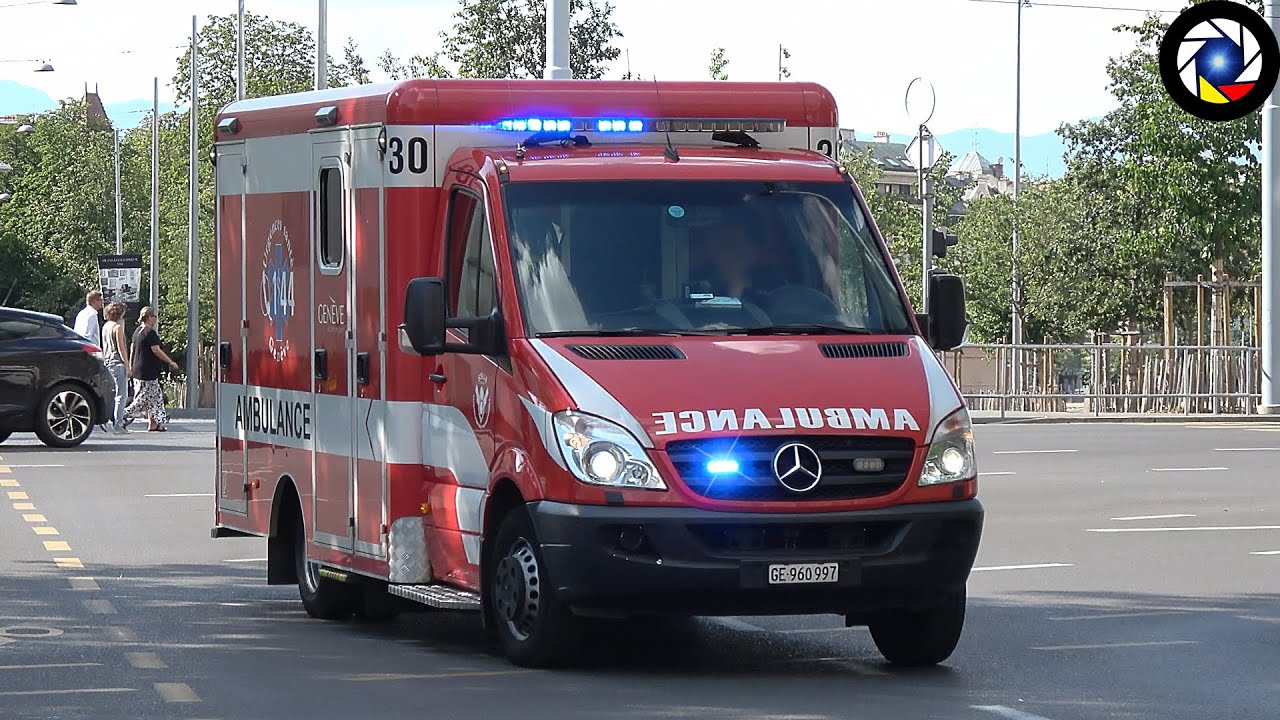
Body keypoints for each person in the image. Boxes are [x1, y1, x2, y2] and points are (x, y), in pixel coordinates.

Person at [124, 306, 179, 432]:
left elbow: (132, 349)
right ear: (149, 317)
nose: (155, 318)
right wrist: (170, 361)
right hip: (147, 371)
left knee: (156, 398)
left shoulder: (137, 331)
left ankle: (155, 424)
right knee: (142, 399)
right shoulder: (150, 333)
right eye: (154, 316)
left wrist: (131, 366)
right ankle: (123, 415)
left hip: (138, 369)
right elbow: (156, 350)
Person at [100, 302, 130, 434]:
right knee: (121, 394)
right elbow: (121, 348)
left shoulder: (106, 326)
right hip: (117, 362)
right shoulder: (117, 327)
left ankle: (104, 419)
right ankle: (118, 424)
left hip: (107, 361)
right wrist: (128, 366)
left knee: (110, 393)